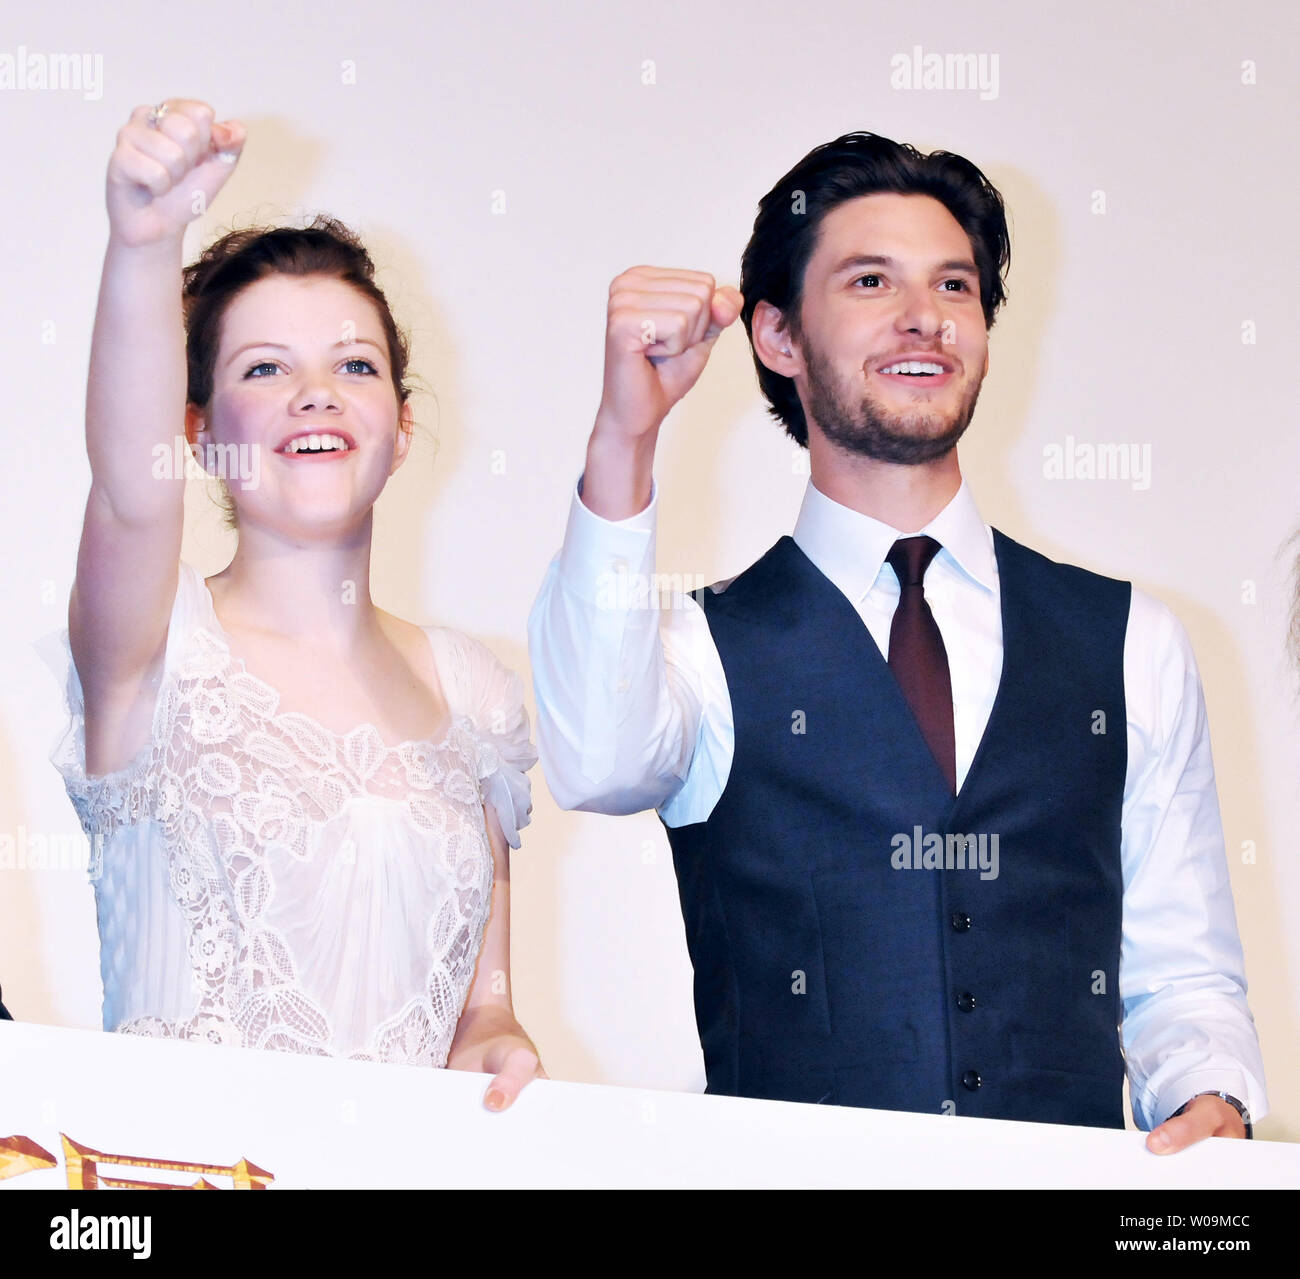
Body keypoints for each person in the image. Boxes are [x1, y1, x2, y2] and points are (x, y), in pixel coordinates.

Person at [527, 132, 1268, 1151]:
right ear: (777, 336)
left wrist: (1209, 1097)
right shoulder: (699, 645)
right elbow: (596, 759)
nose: (923, 316)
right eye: (870, 279)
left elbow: (1182, 971)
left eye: (954, 285)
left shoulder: (1131, 639)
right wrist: (625, 437)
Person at [45, 98, 543, 1111]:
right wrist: (143, 242)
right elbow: (130, 493)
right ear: (198, 429)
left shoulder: (477, 696)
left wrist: (497, 1041)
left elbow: (484, 1007)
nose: (315, 393)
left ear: (401, 426)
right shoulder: (151, 646)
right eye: (264, 369)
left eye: (353, 365)